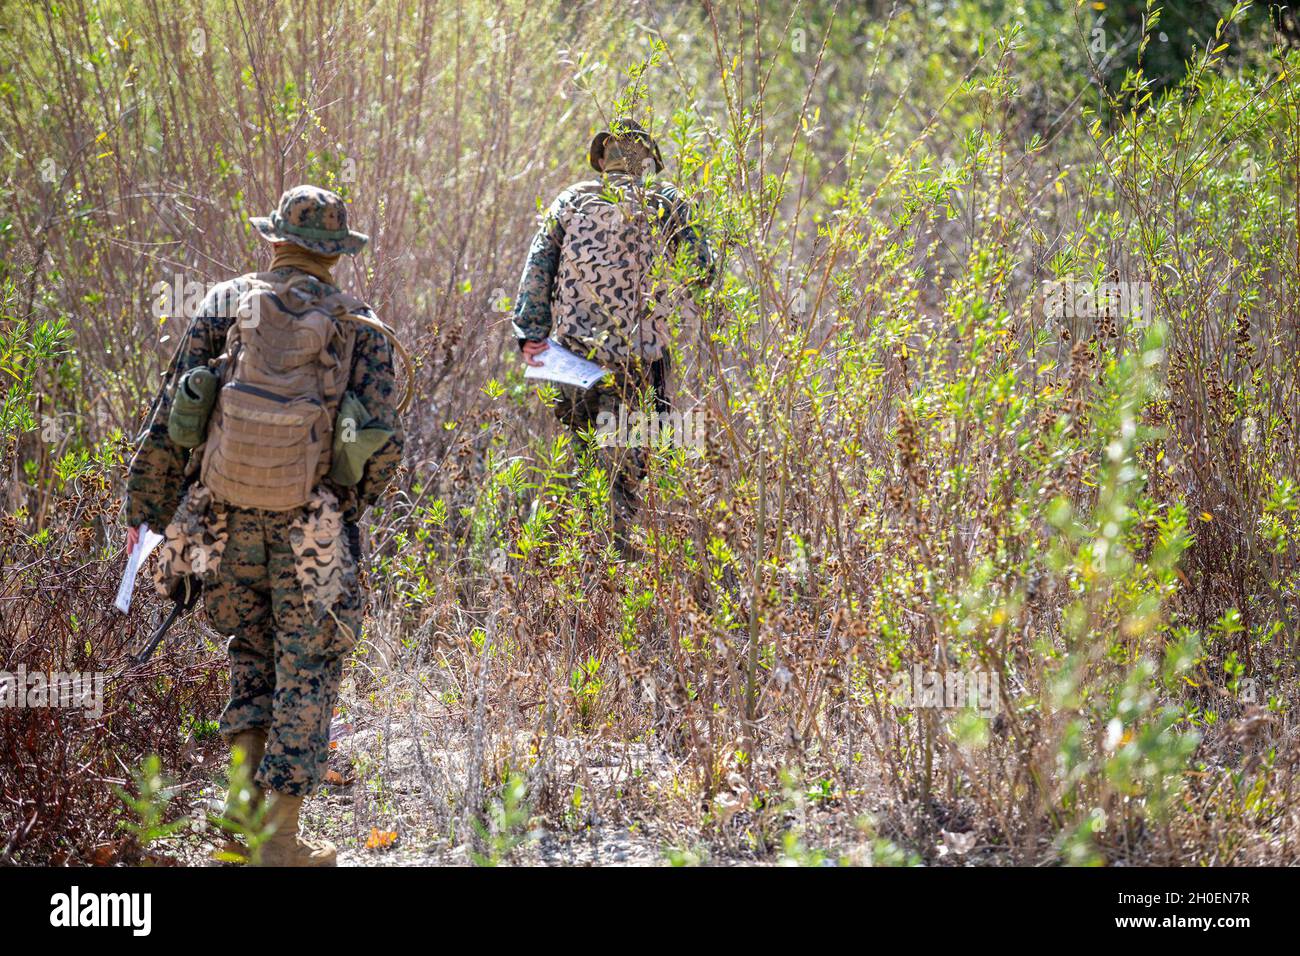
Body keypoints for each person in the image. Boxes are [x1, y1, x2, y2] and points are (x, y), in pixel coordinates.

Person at [124, 185, 405, 866]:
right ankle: (277, 842)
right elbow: (383, 446)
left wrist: (149, 519)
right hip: (313, 528)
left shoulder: (223, 305)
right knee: (306, 670)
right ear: (335, 254)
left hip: (220, 519)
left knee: (251, 655)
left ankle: (239, 823)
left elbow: (169, 420)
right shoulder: (362, 326)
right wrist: (342, 508)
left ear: (274, 240)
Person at [511, 119, 715, 555]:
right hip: (637, 365)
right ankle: (611, 577)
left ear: (602, 160)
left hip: (569, 361)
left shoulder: (571, 200)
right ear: (648, 163)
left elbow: (536, 274)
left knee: (575, 468)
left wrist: (530, 334)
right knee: (624, 477)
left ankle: (559, 573)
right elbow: (703, 271)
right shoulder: (667, 201)